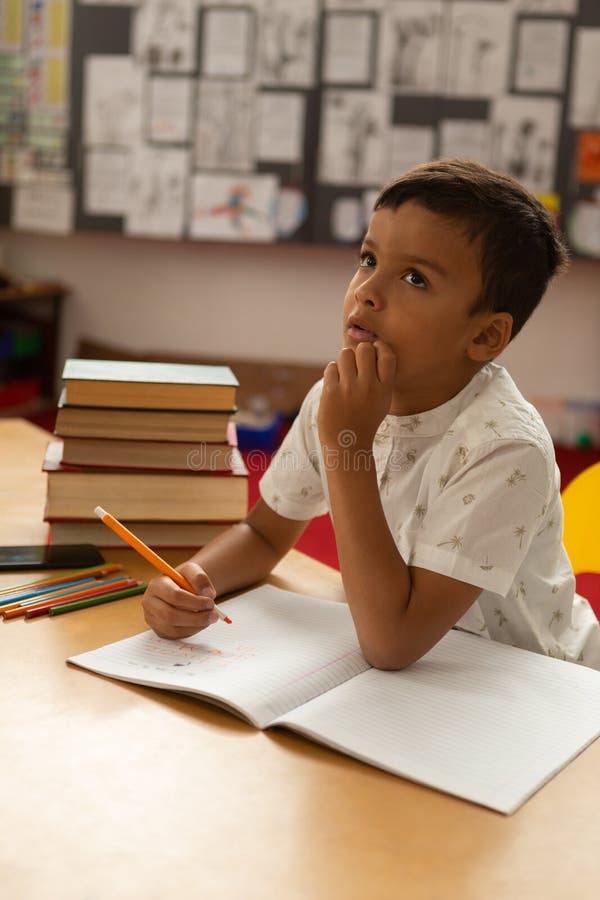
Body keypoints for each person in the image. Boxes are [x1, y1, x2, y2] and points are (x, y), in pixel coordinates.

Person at [142, 158, 600, 671]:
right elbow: (265, 533)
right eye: (367, 258)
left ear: (485, 336)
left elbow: (391, 644)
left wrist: (347, 445)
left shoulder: (505, 448)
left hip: (542, 689)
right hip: (425, 676)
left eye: (414, 278)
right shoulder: (337, 397)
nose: (367, 291)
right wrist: (189, 581)